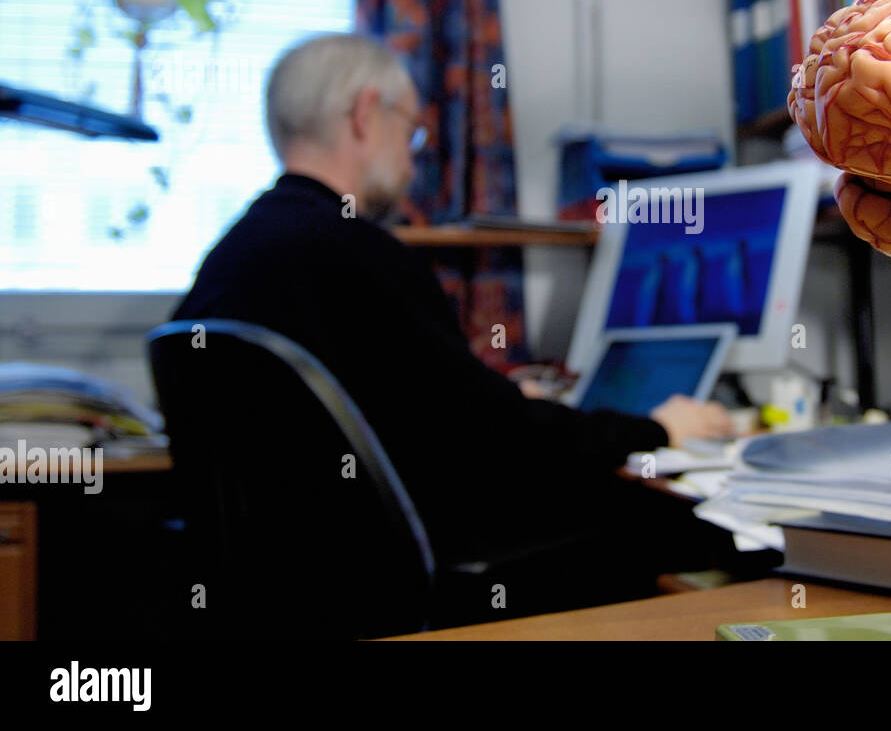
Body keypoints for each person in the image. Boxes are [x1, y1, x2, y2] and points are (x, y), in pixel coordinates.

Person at [171, 33, 740, 622]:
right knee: (685, 522)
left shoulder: (231, 255)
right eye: (410, 131)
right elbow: (497, 438)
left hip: (292, 581)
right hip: (391, 575)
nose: (412, 157)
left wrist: (498, 398)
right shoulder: (354, 251)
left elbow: (418, 405)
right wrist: (652, 428)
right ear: (367, 114)